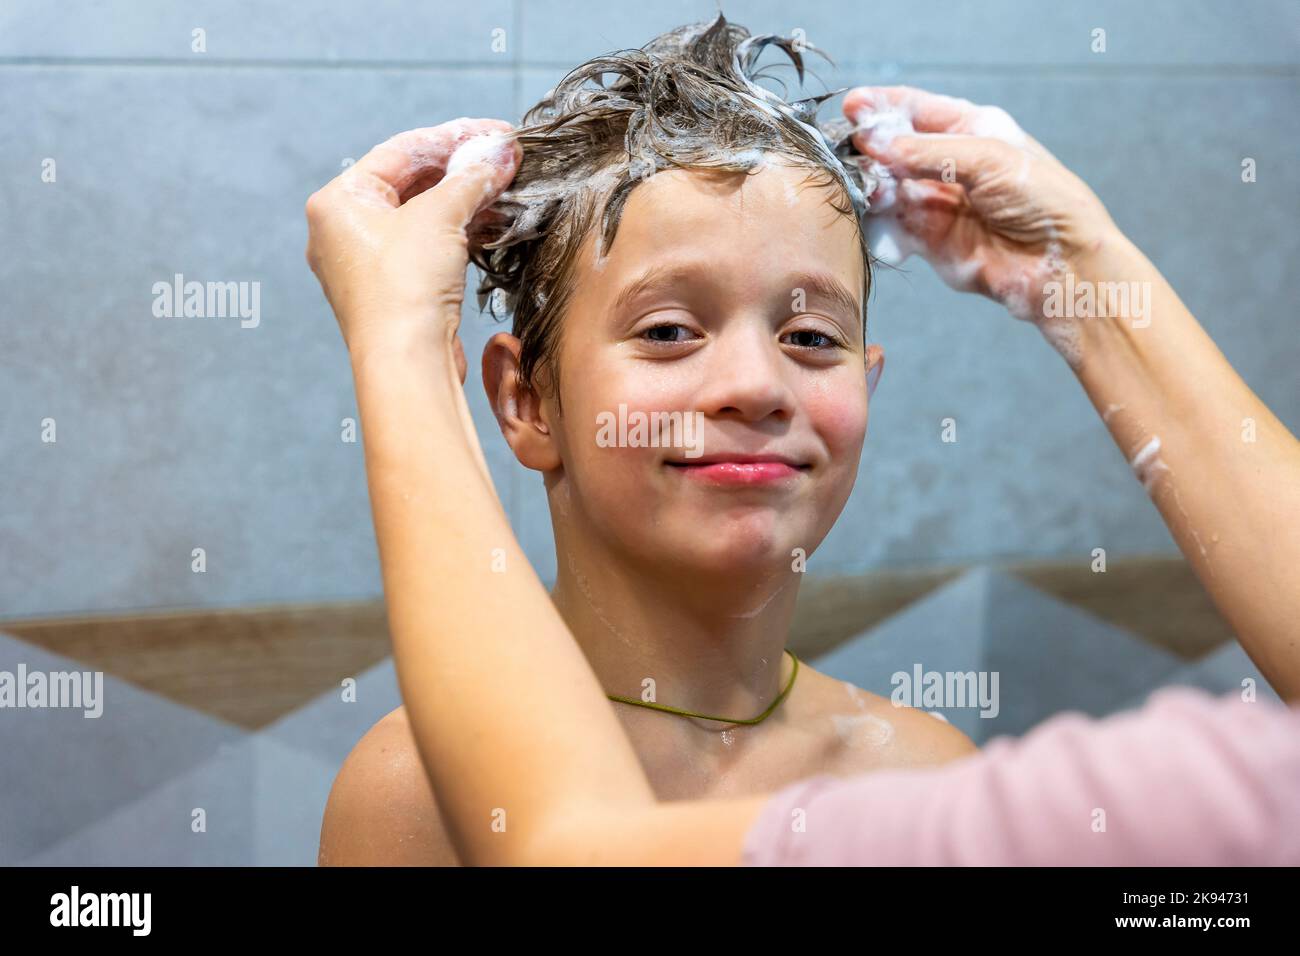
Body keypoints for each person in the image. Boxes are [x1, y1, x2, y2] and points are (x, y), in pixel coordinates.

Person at [305, 29, 1300, 865]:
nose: (755, 383)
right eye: (665, 330)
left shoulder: (925, 764)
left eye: (812, 338)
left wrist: (397, 339)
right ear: (526, 399)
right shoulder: (408, 798)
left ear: (865, 386)